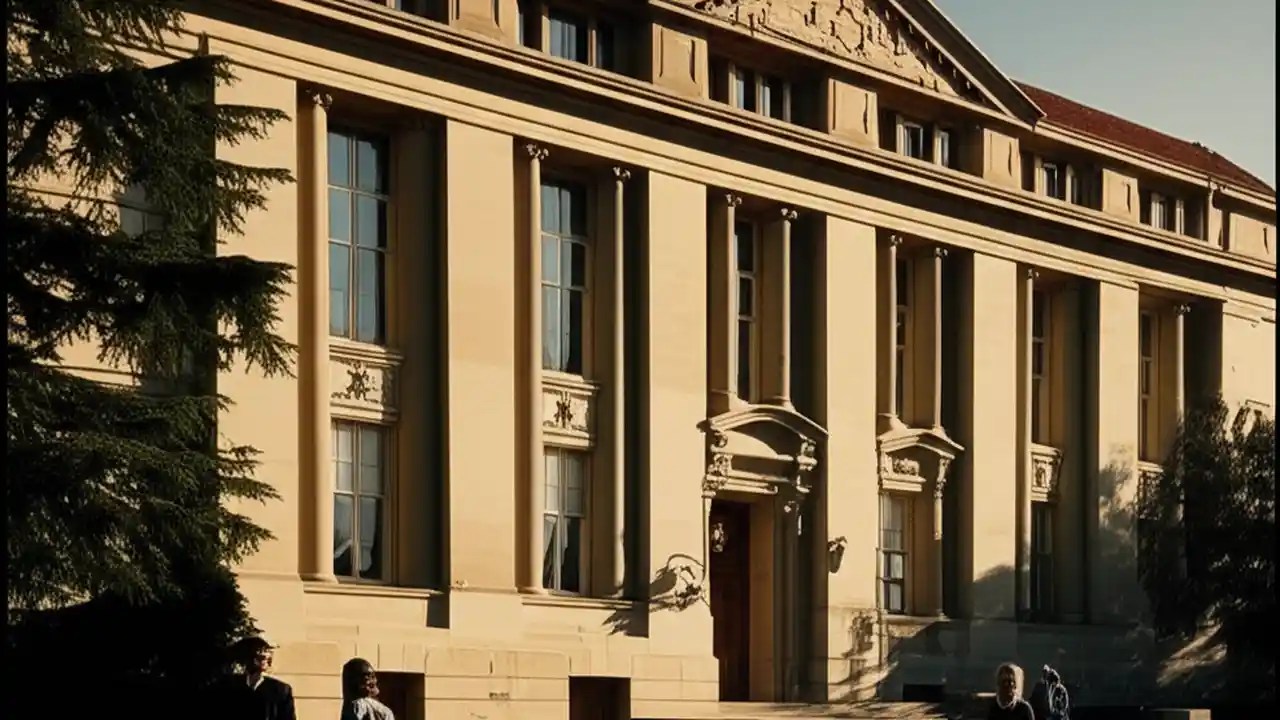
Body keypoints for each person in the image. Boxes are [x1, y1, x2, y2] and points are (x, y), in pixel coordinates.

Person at [224, 635, 297, 720]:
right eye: (259, 651)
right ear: (246, 656)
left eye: (267, 651)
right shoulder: (227, 687)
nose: (265, 655)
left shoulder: (281, 690)